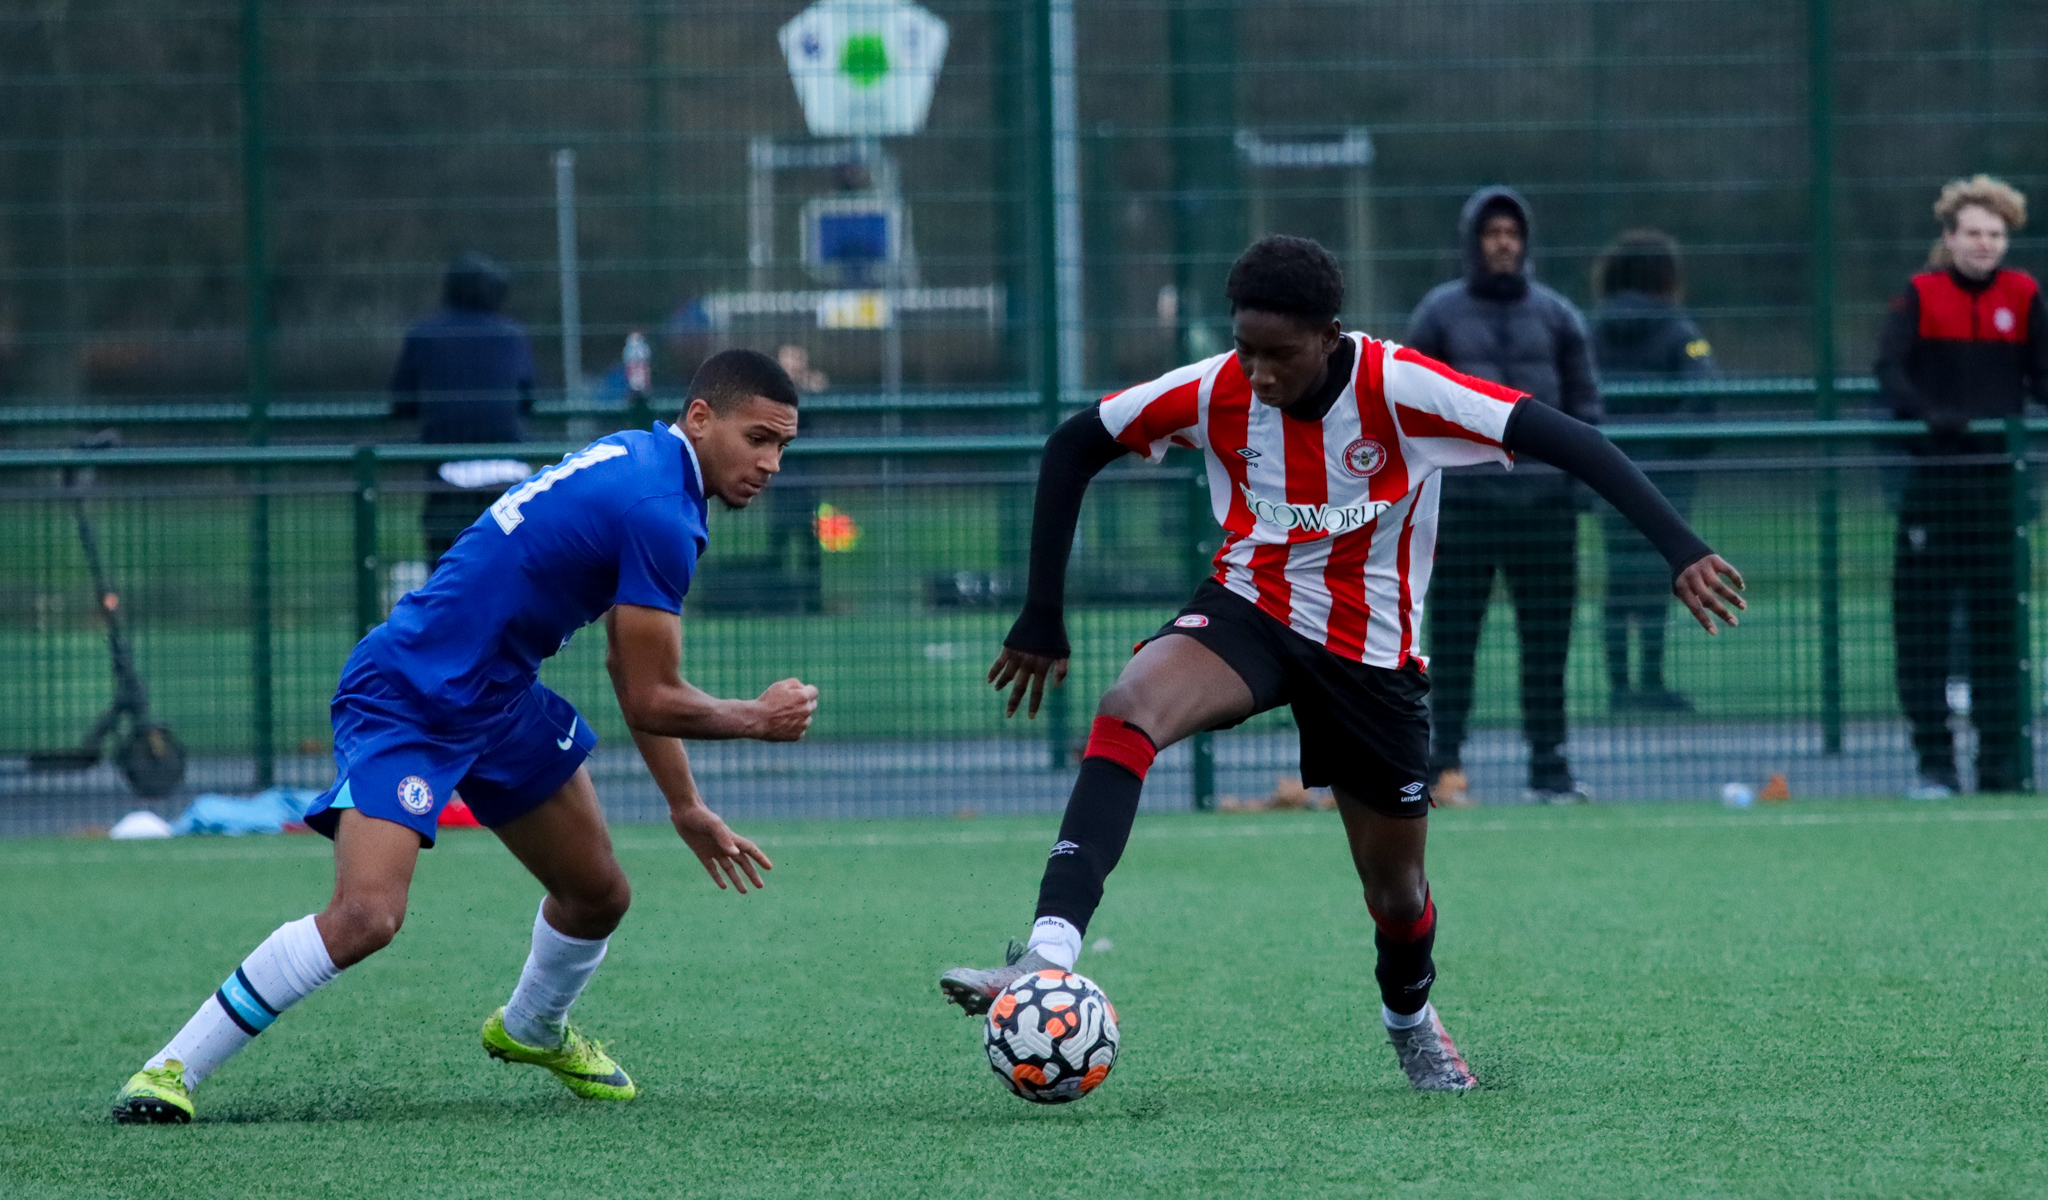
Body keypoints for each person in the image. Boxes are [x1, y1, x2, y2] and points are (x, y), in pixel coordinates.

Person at [938, 237, 1743, 1091]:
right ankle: (1046, 956)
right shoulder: (1215, 387)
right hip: (1251, 609)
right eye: (1245, 347)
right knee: (1128, 705)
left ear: (1330, 334)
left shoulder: (1400, 388)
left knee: (1397, 893)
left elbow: (1568, 437)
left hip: (1371, 655)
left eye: (1279, 354)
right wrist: (1041, 612)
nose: (1258, 371)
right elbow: (1074, 444)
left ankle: (1411, 1021)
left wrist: (1678, 548)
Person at [110, 350, 820, 1124]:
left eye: (782, 446)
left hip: (498, 699)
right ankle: (168, 1068)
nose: (771, 463)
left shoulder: (647, 464)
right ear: (700, 418)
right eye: (759, 438)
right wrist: (756, 718)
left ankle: (531, 1029)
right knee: (366, 918)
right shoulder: (660, 512)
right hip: (410, 695)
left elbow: (631, 676)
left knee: (597, 895)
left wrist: (685, 805)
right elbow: (652, 697)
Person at [1406, 188, 1603, 805]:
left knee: (1547, 646)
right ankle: (1442, 768)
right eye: (1491, 232)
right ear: (1473, 241)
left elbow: (1585, 406)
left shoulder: (1559, 316)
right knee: (1452, 645)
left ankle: (1549, 766)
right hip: (1463, 512)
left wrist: (1577, 490)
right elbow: (1410, 406)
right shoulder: (1437, 314)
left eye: (1512, 232)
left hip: (1544, 510)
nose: (1503, 242)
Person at [1876, 175, 2048, 798]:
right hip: (1934, 483)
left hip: (1998, 488)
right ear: (1949, 238)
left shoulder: (2024, 295)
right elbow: (1888, 371)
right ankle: (1935, 765)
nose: (1984, 244)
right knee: (1922, 627)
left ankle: (2001, 765)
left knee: (1999, 628)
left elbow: (2042, 373)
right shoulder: (1921, 295)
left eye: (1996, 234)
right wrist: (1930, 417)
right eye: (1973, 233)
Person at [1589, 230, 1718, 712]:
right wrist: (1678, 449)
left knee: (1618, 579)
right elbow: (1706, 395)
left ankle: (1621, 689)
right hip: (1664, 478)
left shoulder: (1592, 330)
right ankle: (1650, 682)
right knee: (1663, 572)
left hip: (1606, 473)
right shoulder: (1680, 330)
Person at [390, 252, 540, 567]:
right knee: (509, 566)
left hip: (449, 474)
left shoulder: (425, 335)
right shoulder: (512, 335)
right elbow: (529, 399)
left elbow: (401, 402)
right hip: (508, 473)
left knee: (448, 568)